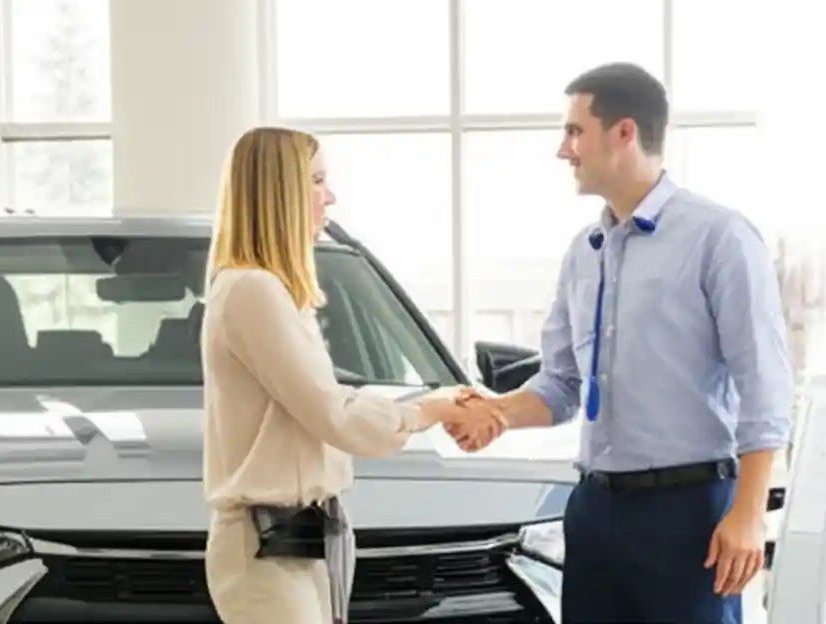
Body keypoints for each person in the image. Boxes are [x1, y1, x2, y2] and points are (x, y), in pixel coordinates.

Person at [449, 62, 793, 623]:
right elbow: (561, 385)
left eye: (575, 131)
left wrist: (749, 512)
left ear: (624, 132)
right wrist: (496, 413)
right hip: (593, 512)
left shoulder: (719, 238)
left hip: (689, 514)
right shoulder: (583, 253)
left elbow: (765, 385)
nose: (564, 150)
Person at [200, 126, 505, 624]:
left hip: (299, 544)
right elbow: (332, 414)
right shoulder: (251, 290)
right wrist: (432, 408)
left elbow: (324, 399)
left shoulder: (267, 290)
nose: (330, 196)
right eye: (317, 181)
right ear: (281, 193)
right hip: (267, 552)